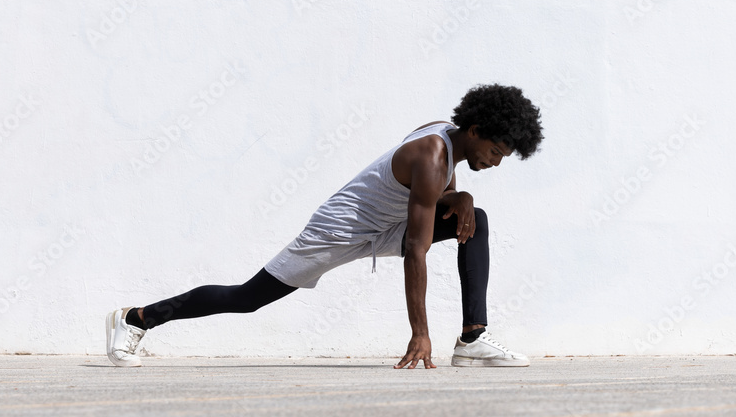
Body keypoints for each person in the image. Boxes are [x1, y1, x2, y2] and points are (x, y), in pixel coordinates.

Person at [105, 83, 544, 369]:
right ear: (475, 129)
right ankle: (136, 318)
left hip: (384, 226)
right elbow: (416, 248)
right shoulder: (432, 154)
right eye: (496, 151)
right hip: (339, 229)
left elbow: (430, 198)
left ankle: (472, 338)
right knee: (247, 298)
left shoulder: (445, 140)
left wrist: (462, 197)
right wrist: (420, 334)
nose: (496, 162)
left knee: (475, 220)